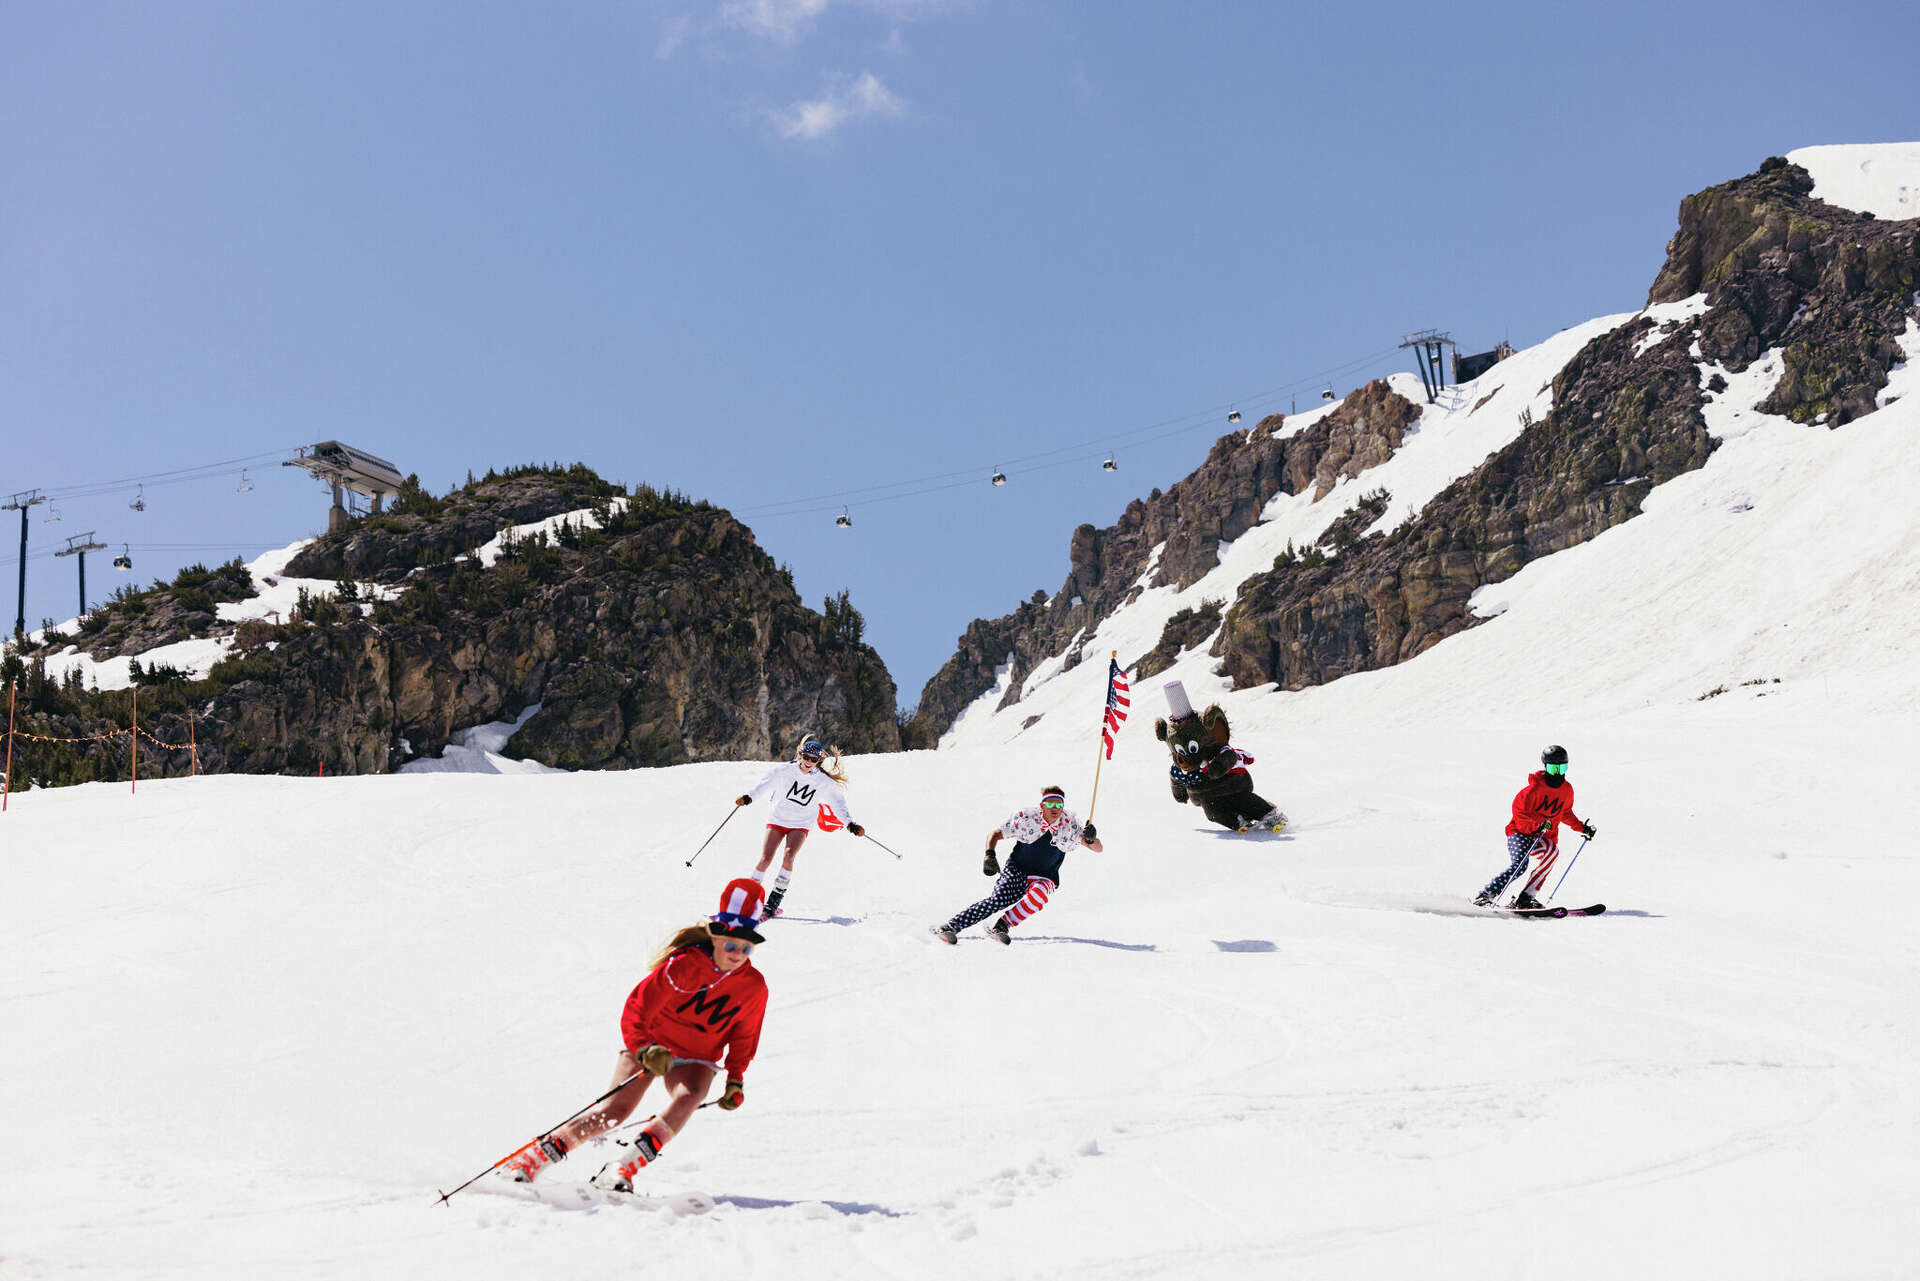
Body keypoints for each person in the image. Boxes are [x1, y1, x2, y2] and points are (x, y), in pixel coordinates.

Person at [497, 878, 770, 1191]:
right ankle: (530, 1160)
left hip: (696, 1057)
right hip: (653, 1045)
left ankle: (622, 1167)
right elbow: (638, 1009)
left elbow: (744, 1034)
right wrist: (644, 1049)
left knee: (691, 1096)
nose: (738, 953)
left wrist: (735, 1077)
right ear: (716, 939)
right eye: (732, 945)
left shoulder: (753, 987)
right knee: (615, 1112)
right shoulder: (682, 966)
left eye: (747, 948)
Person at [931, 785, 1104, 945]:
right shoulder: (1027, 819)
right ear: (1042, 805)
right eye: (1050, 803)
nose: (1054, 808)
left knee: (1039, 895)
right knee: (997, 901)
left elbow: (1097, 848)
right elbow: (996, 834)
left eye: (1059, 805)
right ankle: (951, 926)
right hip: (1018, 869)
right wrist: (989, 855)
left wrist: (1090, 838)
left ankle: (1001, 925)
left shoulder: (1069, 825)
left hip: (1045, 875)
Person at [735, 735, 864, 916]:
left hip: (801, 824)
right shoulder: (784, 771)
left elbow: (838, 804)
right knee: (765, 859)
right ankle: (748, 900)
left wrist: (850, 824)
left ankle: (772, 904)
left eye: (814, 759)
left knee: (788, 857)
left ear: (818, 760)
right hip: (778, 819)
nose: (809, 762)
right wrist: (749, 797)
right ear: (800, 755)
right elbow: (763, 785)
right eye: (806, 757)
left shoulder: (823, 782)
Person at [1473, 745, 1597, 909]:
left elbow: (1565, 813)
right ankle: (1485, 895)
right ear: (1545, 767)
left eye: (1562, 767)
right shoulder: (1532, 791)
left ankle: (1526, 897)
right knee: (1520, 865)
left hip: (1541, 837)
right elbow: (1520, 816)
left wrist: (1583, 828)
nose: (1559, 773)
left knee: (1552, 852)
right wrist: (1537, 826)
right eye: (1554, 768)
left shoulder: (1566, 790)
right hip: (1519, 833)